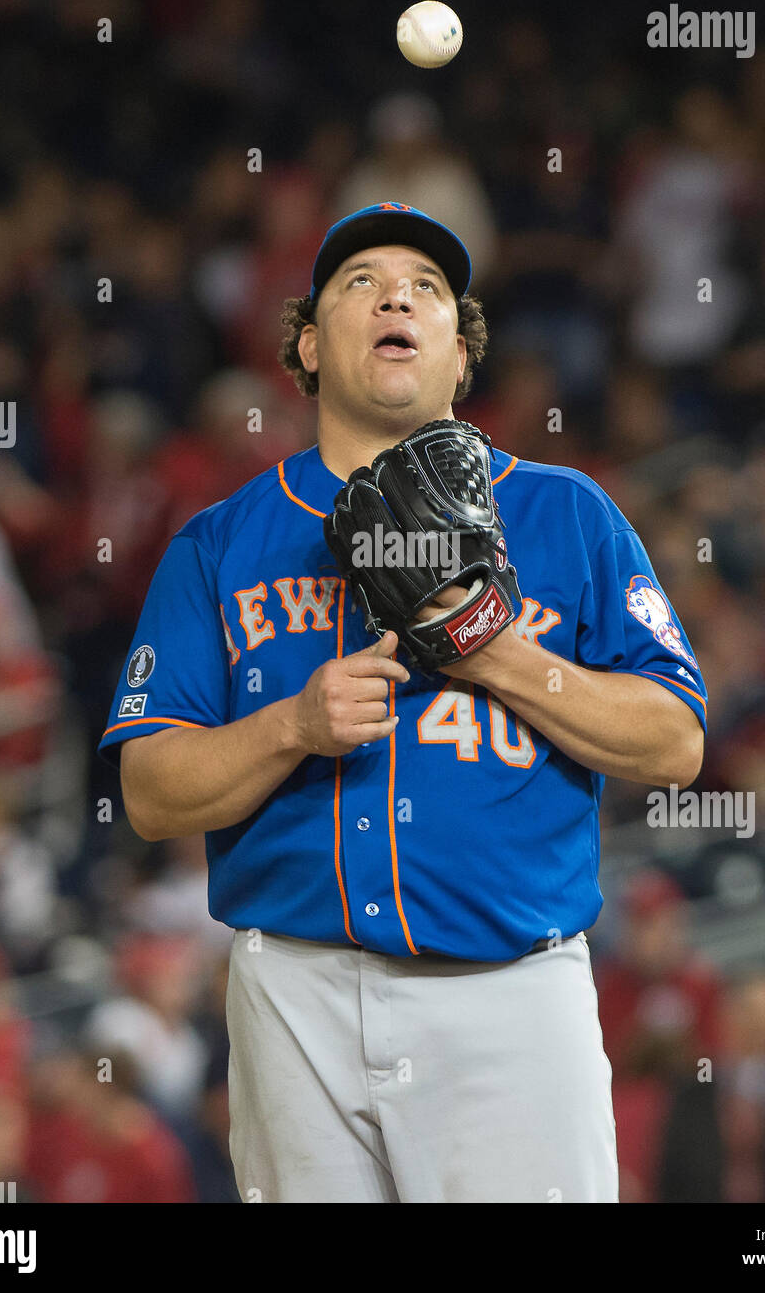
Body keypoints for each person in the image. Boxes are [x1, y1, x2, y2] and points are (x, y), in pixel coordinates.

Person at [100, 202, 707, 1203]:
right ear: (306, 342)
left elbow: (675, 741)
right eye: (360, 283)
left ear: (460, 353)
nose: (396, 295)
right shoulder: (218, 542)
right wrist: (289, 725)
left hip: (508, 994)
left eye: (427, 288)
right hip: (290, 993)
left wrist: (491, 650)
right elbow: (152, 794)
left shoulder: (566, 513)